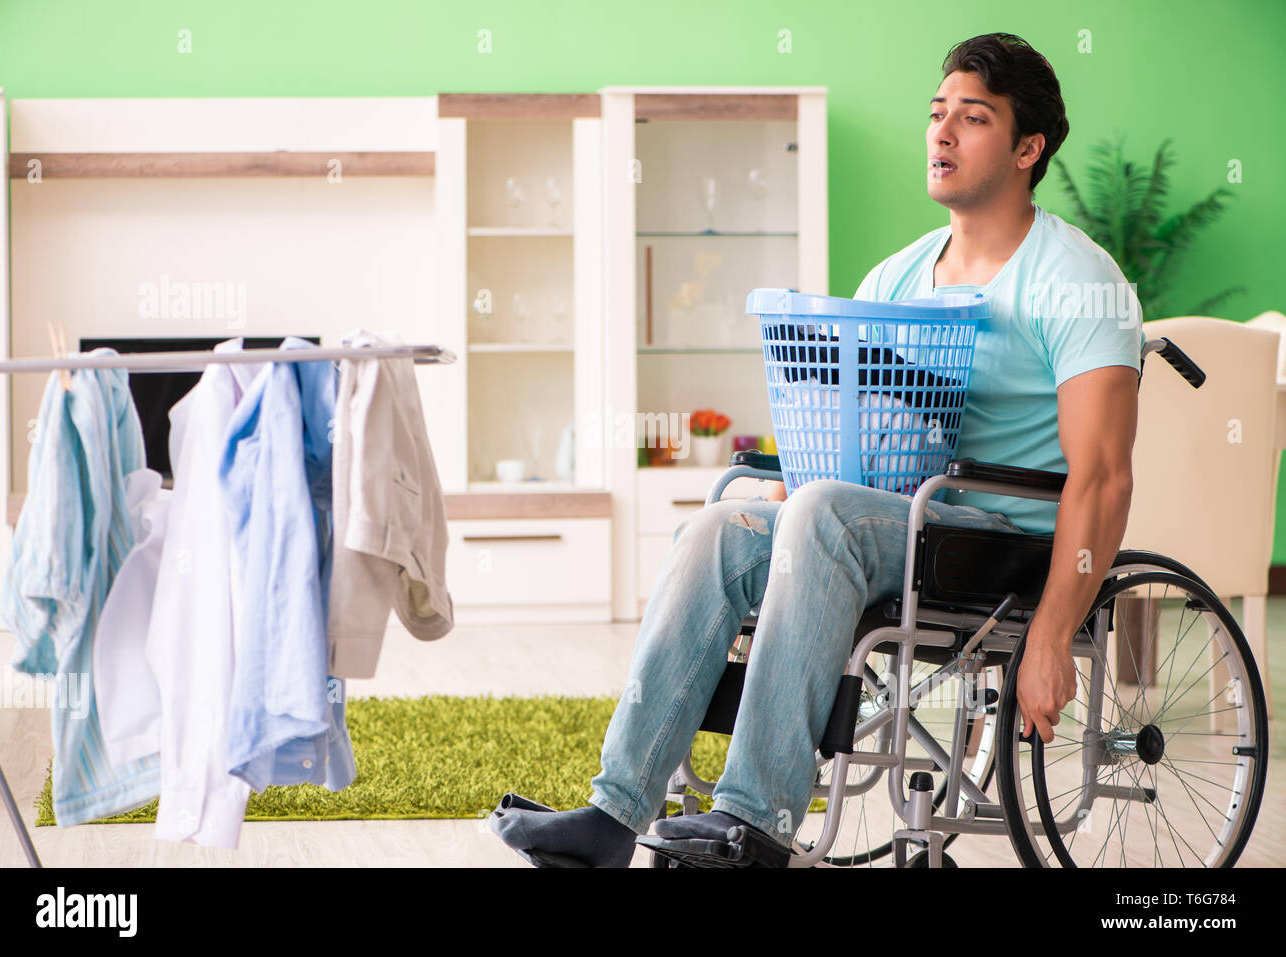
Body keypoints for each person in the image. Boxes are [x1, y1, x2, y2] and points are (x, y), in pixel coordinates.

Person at [489, 31, 1142, 868]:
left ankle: (753, 822)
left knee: (824, 511)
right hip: (901, 522)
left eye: (972, 119)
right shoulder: (894, 279)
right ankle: (616, 812)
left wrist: (1053, 631)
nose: (941, 133)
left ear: (1028, 148)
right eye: (937, 114)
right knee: (720, 524)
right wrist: (790, 493)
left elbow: (1103, 475)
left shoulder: (1078, 280)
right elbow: (859, 440)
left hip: (1004, 543)